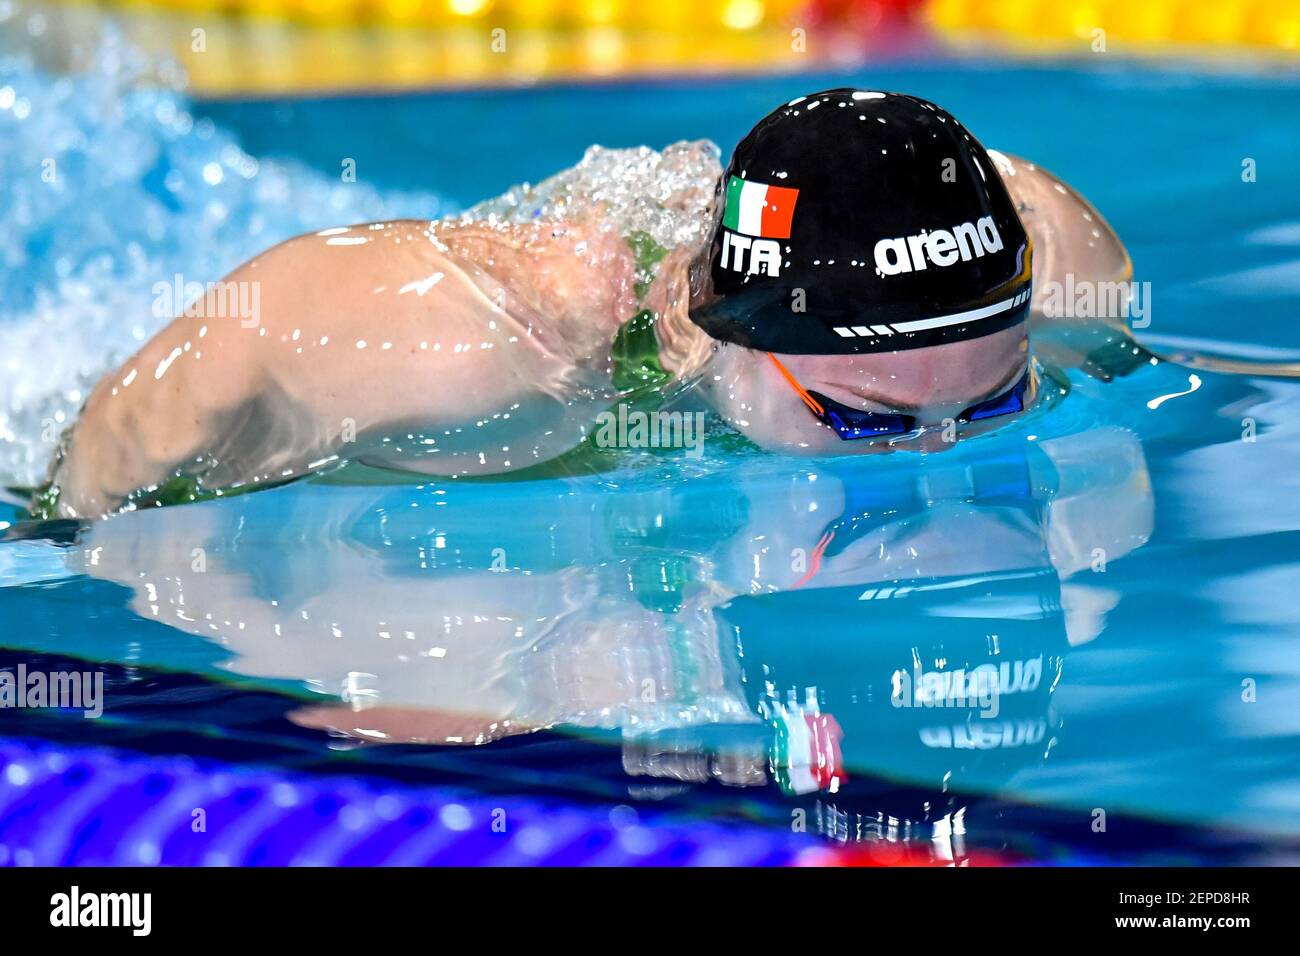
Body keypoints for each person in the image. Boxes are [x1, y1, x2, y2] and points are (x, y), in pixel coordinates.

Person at [38, 89, 1132, 520]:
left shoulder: (1070, 269)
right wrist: (58, 530)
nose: (937, 461)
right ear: (711, 336)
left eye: (994, 402)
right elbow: (182, 398)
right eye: (865, 420)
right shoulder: (502, 353)